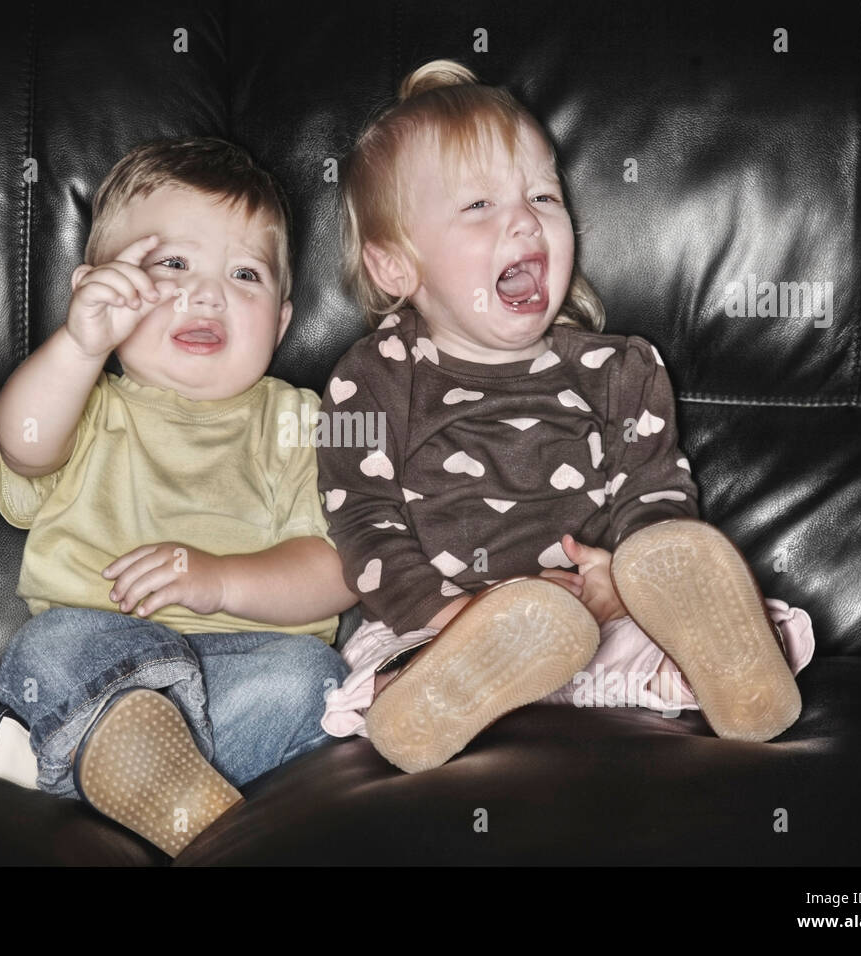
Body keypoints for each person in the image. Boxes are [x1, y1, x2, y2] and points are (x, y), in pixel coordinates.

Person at [317, 60, 814, 774]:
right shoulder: (365, 379)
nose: (525, 219)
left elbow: (656, 491)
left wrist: (625, 579)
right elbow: (359, 520)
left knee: (728, 622)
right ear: (397, 267)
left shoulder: (622, 370)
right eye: (478, 206)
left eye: (544, 196)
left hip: (605, 615)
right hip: (443, 627)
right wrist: (450, 614)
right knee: (390, 665)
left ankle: (725, 681)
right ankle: (439, 693)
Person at [0, 137, 357, 855]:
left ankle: (87, 771)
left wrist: (217, 580)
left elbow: (333, 573)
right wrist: (80, 348)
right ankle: (175, 795)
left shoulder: (299, 421)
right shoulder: (86, 403)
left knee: (317, 681)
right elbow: (24, 441)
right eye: (172, 264)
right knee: (48, 648)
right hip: (99, 654)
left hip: (243, 660)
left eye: (245, 274)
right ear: (99, 290)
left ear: (280, 321)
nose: (207, 293)